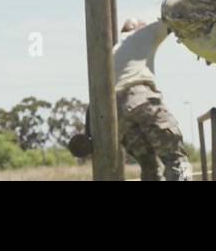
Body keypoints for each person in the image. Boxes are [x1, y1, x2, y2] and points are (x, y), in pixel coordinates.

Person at [68, 18, 192, 181]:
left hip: (114, 112)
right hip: (139, 98)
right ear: (137, 28)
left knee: (150, 166)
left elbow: (93, 102)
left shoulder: (111, 52)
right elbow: (175, 17)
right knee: (176, 159)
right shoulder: (142, 34)